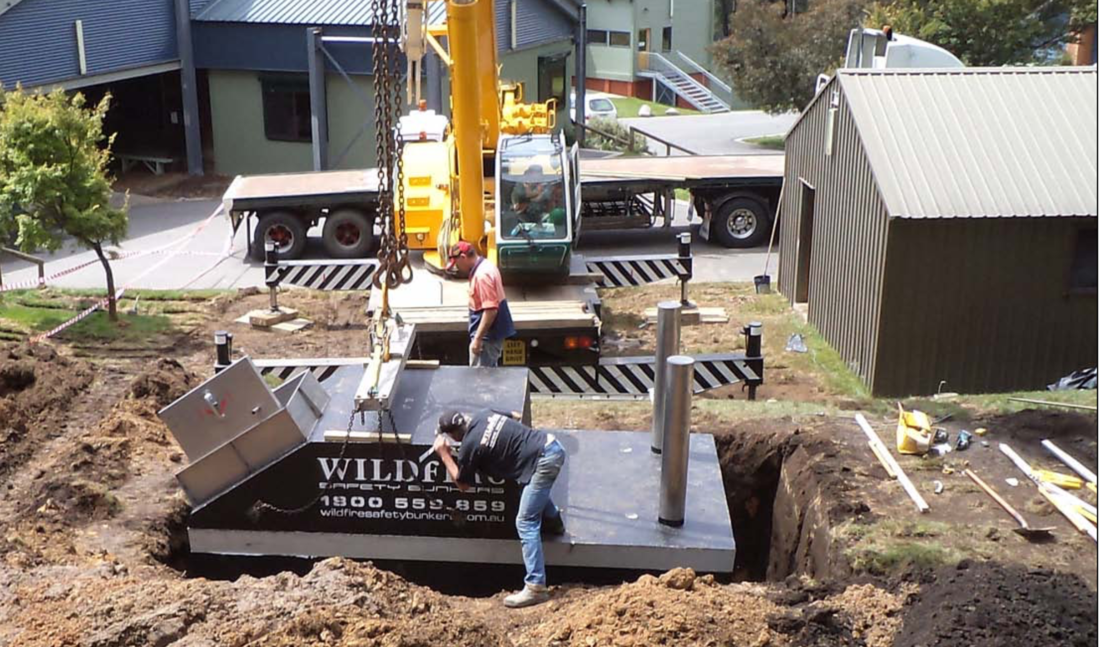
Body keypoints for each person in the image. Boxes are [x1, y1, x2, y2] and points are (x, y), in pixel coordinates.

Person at [432, 408, 566, 608]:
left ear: (453, 435)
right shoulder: (483, 413)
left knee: (525, 521)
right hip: (551, 444)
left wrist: (444, 455)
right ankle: (555, 523)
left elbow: (463, 484)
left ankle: (535, 587)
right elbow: (514, 415)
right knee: (528, 490)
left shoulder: (470, 446)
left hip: (543, 461)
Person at [446, 241, 516, 367]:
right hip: (489, 336)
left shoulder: (482, 276)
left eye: (456, 263)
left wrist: (478, 339)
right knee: (488, 377)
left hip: (487, 339)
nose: (456, 267)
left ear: (463, 258)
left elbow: (491, 310)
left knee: (480, 380)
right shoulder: (486, 265)